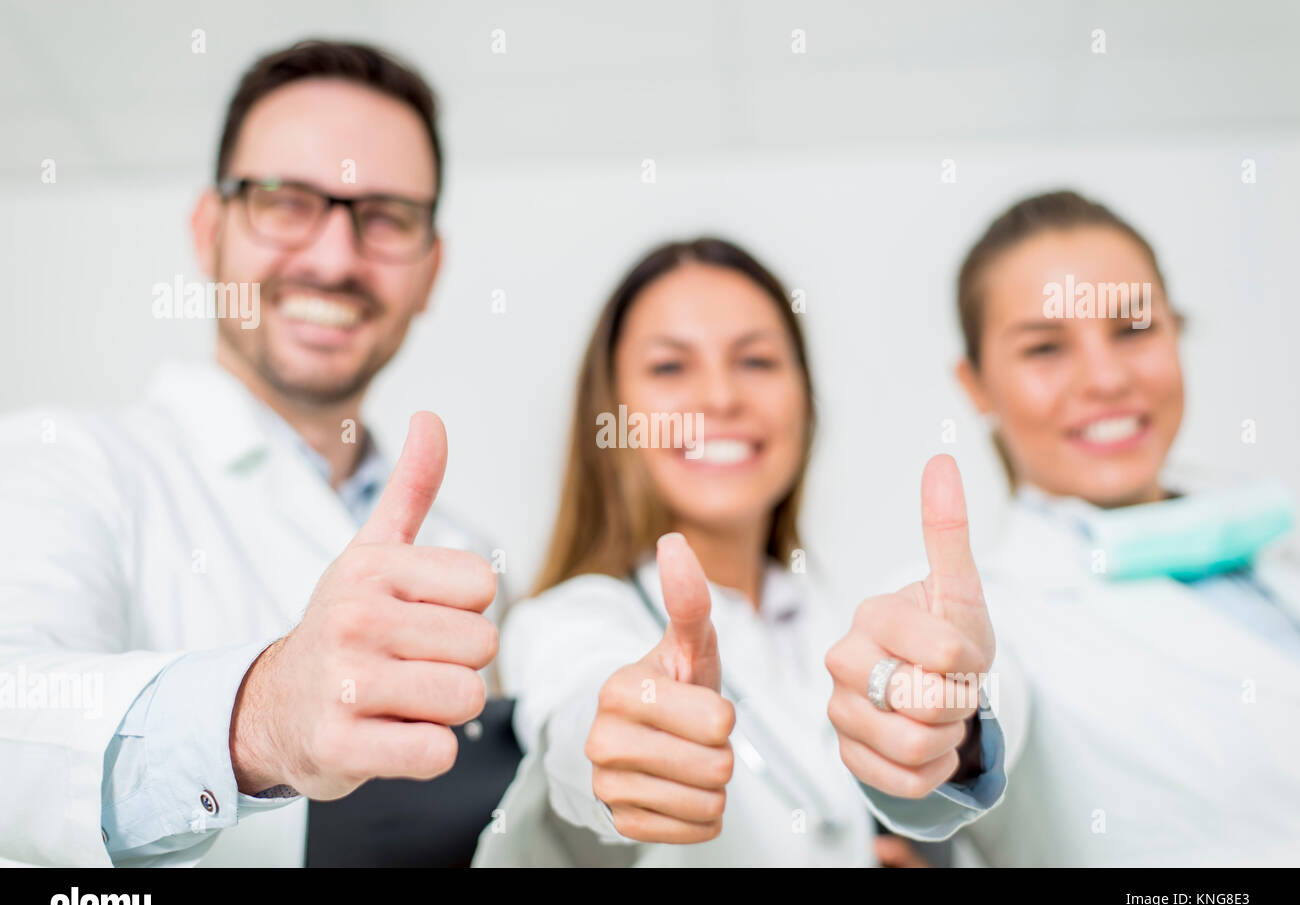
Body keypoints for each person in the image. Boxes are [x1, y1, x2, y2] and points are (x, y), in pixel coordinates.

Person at [0, 40, 501, 867]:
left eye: (386, 217)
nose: (335, 258)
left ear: (431, 267)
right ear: (209, 231)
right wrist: (257, 718)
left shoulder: (470, 556)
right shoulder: (65, 463)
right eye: (286, 200)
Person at [474, 238, 1007, 866]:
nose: (721, 398)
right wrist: (615, 745)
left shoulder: (833, 620)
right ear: (613, 411)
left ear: (805, 403)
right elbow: (575, 718)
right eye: (670, 367)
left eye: (756, 361)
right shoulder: (568, 621)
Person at [952, 190, 1300, 865]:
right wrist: (925, 718)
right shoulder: (996, 617)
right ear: (977, 385)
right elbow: (948, 753)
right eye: (1046, 346)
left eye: (1134, 330)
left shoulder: (1270, 546)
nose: (1107, 378)